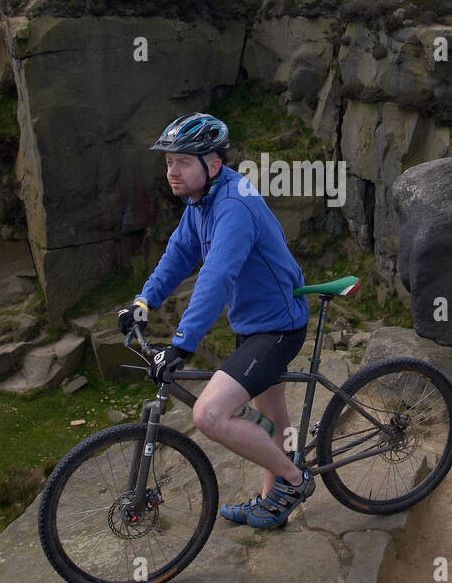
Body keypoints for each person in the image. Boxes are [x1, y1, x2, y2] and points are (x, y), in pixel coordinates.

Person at [118, 112, 313, 529]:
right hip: (252, 324)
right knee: (273, 418)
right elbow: (178, 256)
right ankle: (269, 500)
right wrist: (142, 303)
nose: (172, 171)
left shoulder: (233, 204)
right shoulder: (201, 201)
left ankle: (294, 482)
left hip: (278, 328)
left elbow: (217, 275)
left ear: (213, 165)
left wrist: (183, 344)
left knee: (209, 414)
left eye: (182, 161)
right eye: (169, 161)